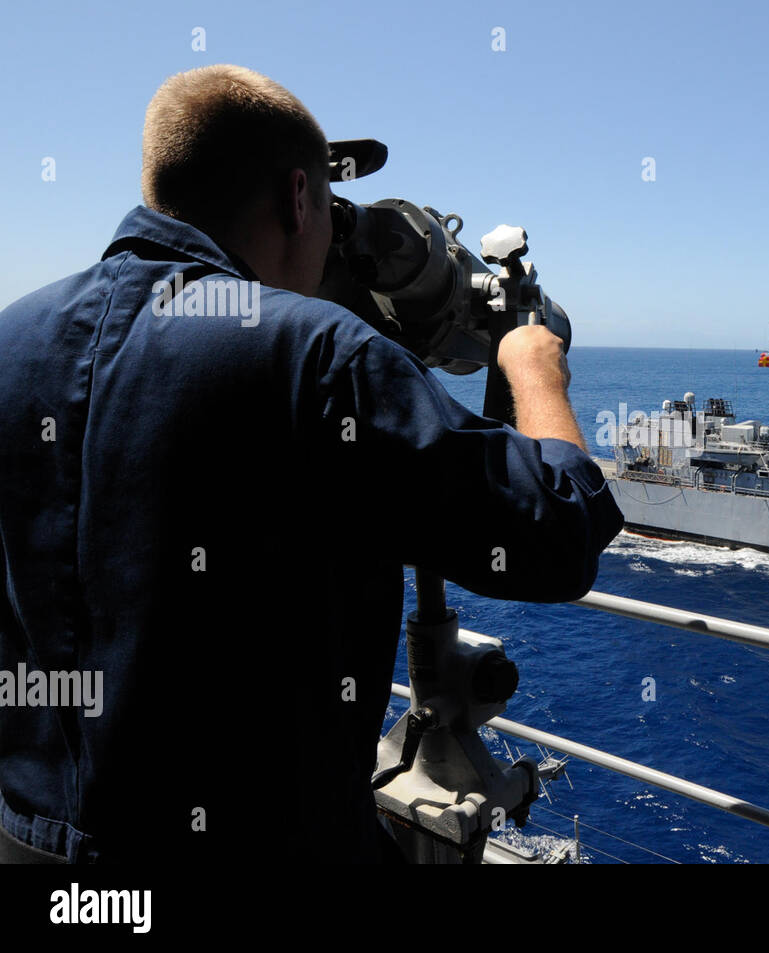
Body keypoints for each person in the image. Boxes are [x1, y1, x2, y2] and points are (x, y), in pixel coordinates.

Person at [0, 65, 623, 863]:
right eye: (332, 209)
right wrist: (534, 369)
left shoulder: (17, 337)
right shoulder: (317, 355)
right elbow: (558, 534)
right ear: (300, 198)